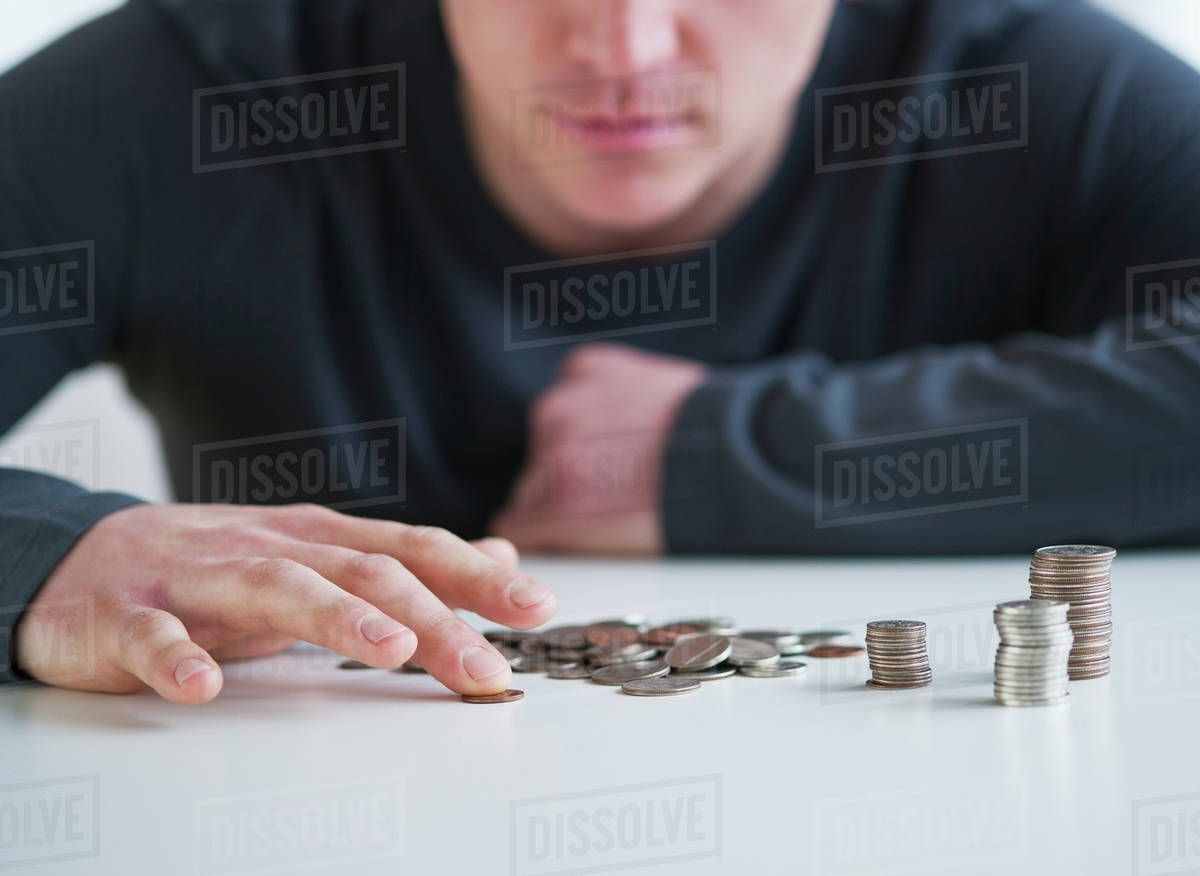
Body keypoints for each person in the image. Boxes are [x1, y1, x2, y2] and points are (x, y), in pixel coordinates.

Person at [1, 0, 1197, 704]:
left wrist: (726, 457)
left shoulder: (1028, 79)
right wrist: (51, 558)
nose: (623, 50)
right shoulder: (186, 86)